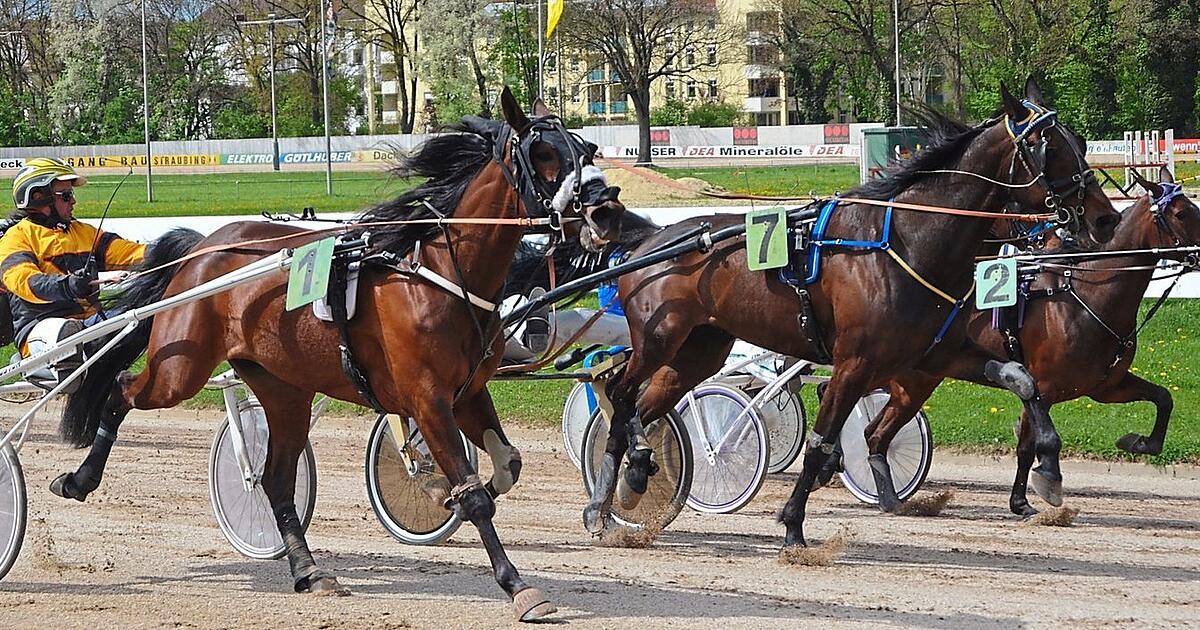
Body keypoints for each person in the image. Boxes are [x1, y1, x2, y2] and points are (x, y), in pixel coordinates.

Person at [0, 158, 145, 380]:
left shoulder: (84, 232)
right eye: (66, 195)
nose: (73, 201)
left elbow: (128, 252)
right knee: (67, 334)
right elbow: (25, 282)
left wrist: (176, 250)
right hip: (41, 331)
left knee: (147, 313)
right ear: (39, 197)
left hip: (92, 325)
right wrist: (70, 285)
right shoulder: (16, 238)